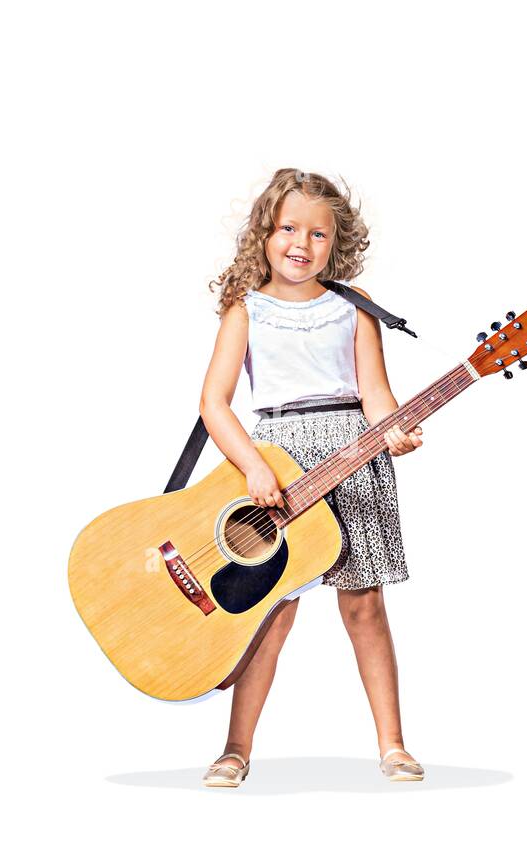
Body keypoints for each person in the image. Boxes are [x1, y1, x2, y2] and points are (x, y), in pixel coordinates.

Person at [197, 168, 425, 787]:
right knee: (269, 614)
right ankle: (235, 747)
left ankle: (394, 744)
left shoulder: (354, 311)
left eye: (318, 233)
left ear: (336, 241)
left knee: (365, 607)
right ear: (265, 234)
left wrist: (395, 429)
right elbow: (214, 403)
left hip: (353, 458)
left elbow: (376, 397)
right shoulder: (247, 312)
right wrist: (253, 465)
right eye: (289, 228)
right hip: (278, 466)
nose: (302, 243)